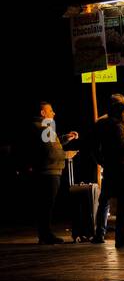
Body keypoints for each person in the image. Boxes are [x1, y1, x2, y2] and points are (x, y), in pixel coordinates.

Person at [28, 101, 78, 244]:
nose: (54, 113)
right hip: (48, 171)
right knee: (46, 204)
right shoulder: (41, 128)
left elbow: (52, 145)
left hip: (50, 170)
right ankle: (45, 235)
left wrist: (65, 138)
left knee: (47, 204)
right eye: (50, 111)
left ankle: (45, 233)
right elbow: (50, 151)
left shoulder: (44, 127)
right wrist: (65, 155)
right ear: (43, 113)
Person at [93, 98, 124, 249]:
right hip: (121, 168)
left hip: (109, 167)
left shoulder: (102, 123)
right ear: (118, 112)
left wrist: (101, 161)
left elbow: (94, 146)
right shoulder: (117, 126)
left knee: (104, 199)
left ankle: (99, 233)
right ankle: (122, 237)